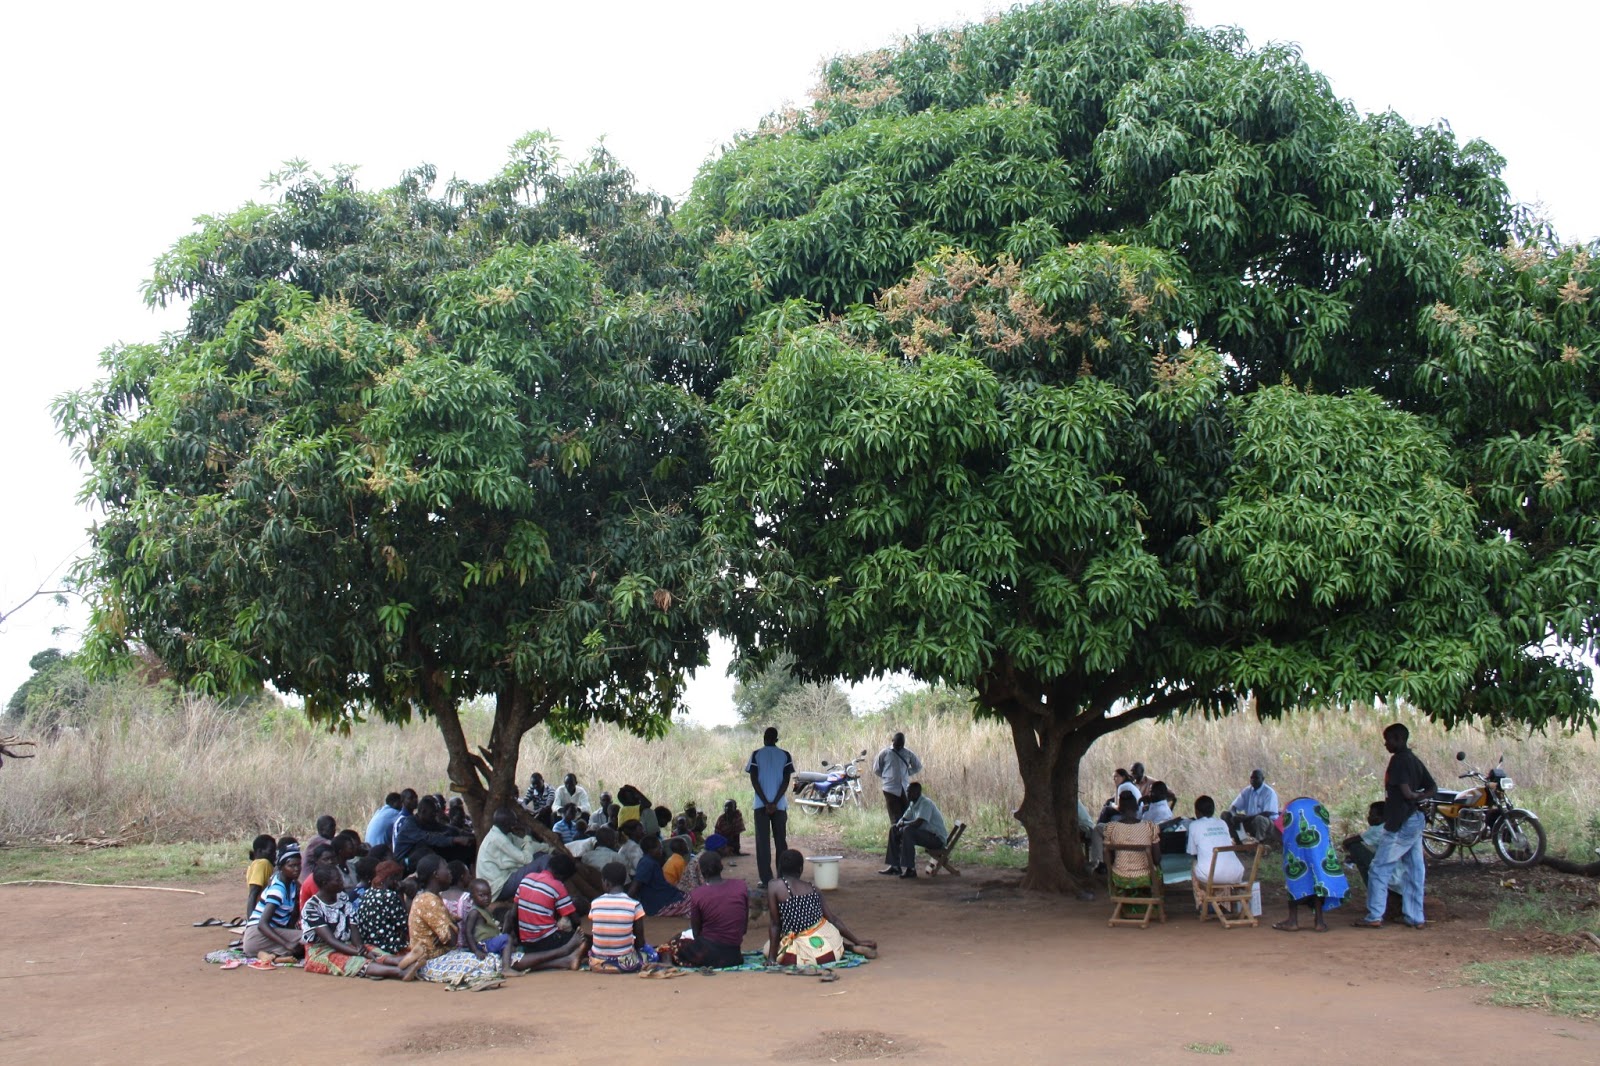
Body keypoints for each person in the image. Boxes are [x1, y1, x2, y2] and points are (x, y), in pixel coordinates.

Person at [1357, 723, 1436, 929]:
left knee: (1379, 868)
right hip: (1415, 818)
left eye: (1389, 739)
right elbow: (1433, 787)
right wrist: (1421, 798)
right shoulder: (1414, 760)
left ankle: (1374, 915)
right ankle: (1415, 917)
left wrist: (1413, 797)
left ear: (1399, 739)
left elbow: (1406, 792)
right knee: (1414, 869)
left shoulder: (1399, 761)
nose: (1386, 744)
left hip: (1401, 820)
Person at [398, 855, 503, 983]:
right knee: (488, 963)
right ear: (436, 875)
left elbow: (447, 932)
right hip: (431, 962)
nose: (449, 872)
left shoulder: (432, 897)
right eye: (446, 868)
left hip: (439, 956)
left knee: (490, 960)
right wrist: (453, 924)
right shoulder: (429, 901)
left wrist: (450, 924)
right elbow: (451, 940)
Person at [766, 849, 874, 965]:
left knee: (768, 947)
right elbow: (833, 919)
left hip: (808, 957)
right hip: (832, 947)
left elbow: (775, 924)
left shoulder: (774, 886)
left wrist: (771, 958)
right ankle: (848, 947)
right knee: (822, 937)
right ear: (801, 869)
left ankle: (847, 947)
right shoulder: (813, 888)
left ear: (780, 867)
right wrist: (857, 941)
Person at [300, 862, 407, 978]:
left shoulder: (342, 897)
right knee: (354, 962)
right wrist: (359, 953)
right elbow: (330, 940)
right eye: (337, 880)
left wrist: (360, 947)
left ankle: (408, 963)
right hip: (320, 951)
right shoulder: (312, 907)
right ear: (324, 884)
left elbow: (353, 925)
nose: (342, 882)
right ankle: (400, 972)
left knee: (377, 952)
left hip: (346, 944)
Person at [1276, 797, 1349, 932]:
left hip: (1296, 846)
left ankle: (1292, 920)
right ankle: (1319, 922)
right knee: (1318, 878)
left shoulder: (1290, 809)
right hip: (1319, 847)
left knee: (1295, 875)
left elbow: (1281, 829)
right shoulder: (1317, 808)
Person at [507, 852, 585, 972]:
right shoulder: (557, 885)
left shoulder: (527, 878)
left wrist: (521, 939)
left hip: (528, 944)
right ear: (562, 876)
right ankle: (566, 952)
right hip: (547, 941)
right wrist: (575, 932)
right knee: (586, 940)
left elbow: (513, 915)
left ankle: (562, 960)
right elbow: (575, 919)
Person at [673, 850, 750, 968]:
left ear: (702, 872)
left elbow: (696, 932)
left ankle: (668, 962)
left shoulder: (698, 894)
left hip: (709, 956)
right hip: (734, 955)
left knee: (675, 942)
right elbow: (743, 927)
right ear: (721, 867)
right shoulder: (740, 886)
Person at [745, 725, 794, 886]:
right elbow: (786, 781)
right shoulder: (785, 755)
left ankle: (766, 879)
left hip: (760, 805)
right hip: (779, 805)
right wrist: (774, 802)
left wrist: (766, 802)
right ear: (777, 740)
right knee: (781, 841)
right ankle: (782, 877)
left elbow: (754, 780)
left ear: (764, 738)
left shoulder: (756, 755)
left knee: (763, 843)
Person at [241, 842, 303, 960]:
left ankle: (272, 956)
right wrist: (287, 943)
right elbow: (262, 924)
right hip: (257, 935)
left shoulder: (292, 884)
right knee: (310, 938)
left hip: (268, 933)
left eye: (299, 865)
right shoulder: (278, 890)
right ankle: (276, 953)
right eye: (291, 866)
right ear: (281, 867)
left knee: (303, 944)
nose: (297, 869)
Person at [478, 805, 551, 902]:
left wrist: (548, 848)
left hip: (504, 877)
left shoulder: (503, 834)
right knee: (546, 859)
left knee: (540, 855)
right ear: (506, 823)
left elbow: (527, 845)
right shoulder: (499, 839)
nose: (516, 824)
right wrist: (528, 835)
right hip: (498, 888)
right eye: (514, 821)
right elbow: (527, 859)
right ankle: (546, 895)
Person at [1102, 792, 1160, 913]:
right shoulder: (1149, 826)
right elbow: (1157, 859)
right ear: (1137, 807)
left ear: (1120, 809)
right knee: (1158, 869)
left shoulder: (1111, 828)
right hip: (1144, 877)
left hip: (1119, 877)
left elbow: (1108, 858)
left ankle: (1126, 906)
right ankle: (1152, 906)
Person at [585, 861, 648, 973]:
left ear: (606, 883)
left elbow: (599, 931)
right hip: (625, 963)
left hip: (596, 962)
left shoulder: (595, 903)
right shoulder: (634, 905)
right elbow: (640, 941)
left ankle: (606, 964)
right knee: (651, 953)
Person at [879, 781, 947, 879]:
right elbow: (905, 818)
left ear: (918, 793)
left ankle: (910, 869)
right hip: (925, 835)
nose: (908, 794)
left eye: (910, 792)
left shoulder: (925, 803)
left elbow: (918, 823)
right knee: (894, 829)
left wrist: (903, 824)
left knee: (908, 831)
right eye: (907, 792)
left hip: (936, 839)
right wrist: (900, 823)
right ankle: (895, 866)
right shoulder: (913, 803)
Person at [393, 794, 475, 870]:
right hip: (403, 863)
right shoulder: (410, 824)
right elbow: (428, 838)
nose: (435, 816)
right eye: (432, 813)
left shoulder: (429, 822)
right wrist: (454, 839)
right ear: (423, 811)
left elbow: (446, 828)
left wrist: (466, 834)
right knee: (426, 850)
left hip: (418, 857)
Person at [353, 859, 410, 956]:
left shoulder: (367, 893)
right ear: (392, 878)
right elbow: (404, 924)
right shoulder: (389, 895)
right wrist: (400, 893)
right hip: (387, 945)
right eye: (398, 879)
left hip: (369, 942)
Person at [1187, 795, 1244, 886]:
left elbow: (1193, 852)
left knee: (1194, 864)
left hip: (1210, 875)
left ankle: (1203, 898)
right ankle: (1225, 895)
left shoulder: (1194, 825)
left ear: (1197, 812)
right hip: (1236, 873)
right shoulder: (1222, 823)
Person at [629, 835, 690, 917]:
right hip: (660, 904)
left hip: (666, 898)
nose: (662, 851)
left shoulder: (651, 862)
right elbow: (635, 886)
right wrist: (623, 906)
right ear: (651, 850)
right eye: (659, 848)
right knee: (694, 906)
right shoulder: (647, 863)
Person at [872, 731, 924, 824]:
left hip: (904, 789)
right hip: (889, 789)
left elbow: (918, 766)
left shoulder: (908, 753)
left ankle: (904, 835)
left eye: (901, 745)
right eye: (897, 744)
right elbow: (876, 769)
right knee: (894, 817)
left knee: (906, 815)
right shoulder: (885, 753)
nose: (899, 746)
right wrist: (887, 777)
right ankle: (895, 835)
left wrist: (906, 773)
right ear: (892, 741)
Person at [1223, 769, 1280, 844]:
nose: (1253, 780)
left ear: (1262, 779)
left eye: (1256, 778)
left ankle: (1260, 846)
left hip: (1267, 823)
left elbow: (1266, 814)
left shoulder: (1269, 793)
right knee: (1226, 815)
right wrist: (1234, 816)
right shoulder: (1247, 791)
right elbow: (1233, 807)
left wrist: (1245, 818)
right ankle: (1239, 841)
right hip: (1249, 820)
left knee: (1259, 819)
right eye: (1251, 778)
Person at [457, 878, 508, 960]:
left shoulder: (485, 909)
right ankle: (506, 967)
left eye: (489, 894)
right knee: (506, 939)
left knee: (510, 939)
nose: (486, 898)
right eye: (482, 895)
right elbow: (468, 932)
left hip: (490, 941)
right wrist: (475, 951)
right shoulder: (474, 912)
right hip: (482, 944)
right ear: (472, 896)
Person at [244, 834, 276, 916]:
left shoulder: (256, 864)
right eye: (271, 852)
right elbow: (253, 893)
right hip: (262, 912)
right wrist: (251, 921)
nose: (274, 855)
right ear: (259, 851)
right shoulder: (263, 863)